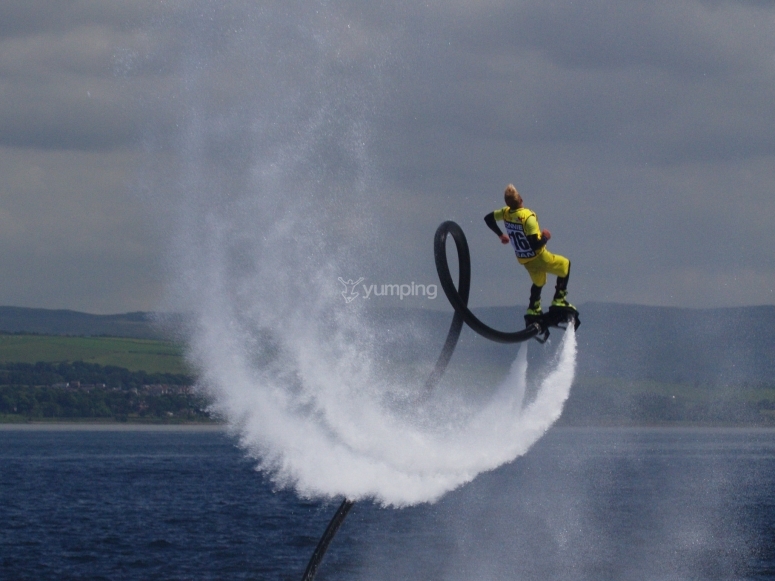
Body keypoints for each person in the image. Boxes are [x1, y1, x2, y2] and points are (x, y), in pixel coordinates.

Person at [484, 184, 573, 319]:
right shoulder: (528, 217)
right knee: (565, 265)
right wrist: (545, 237)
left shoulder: (505, 212)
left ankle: (533, 309)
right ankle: (559, 300)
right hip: (540, 256)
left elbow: (488, 218)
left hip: (525, 260)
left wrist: (500, 235)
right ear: (521, 199)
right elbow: (535, 245)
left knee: (539, 282)